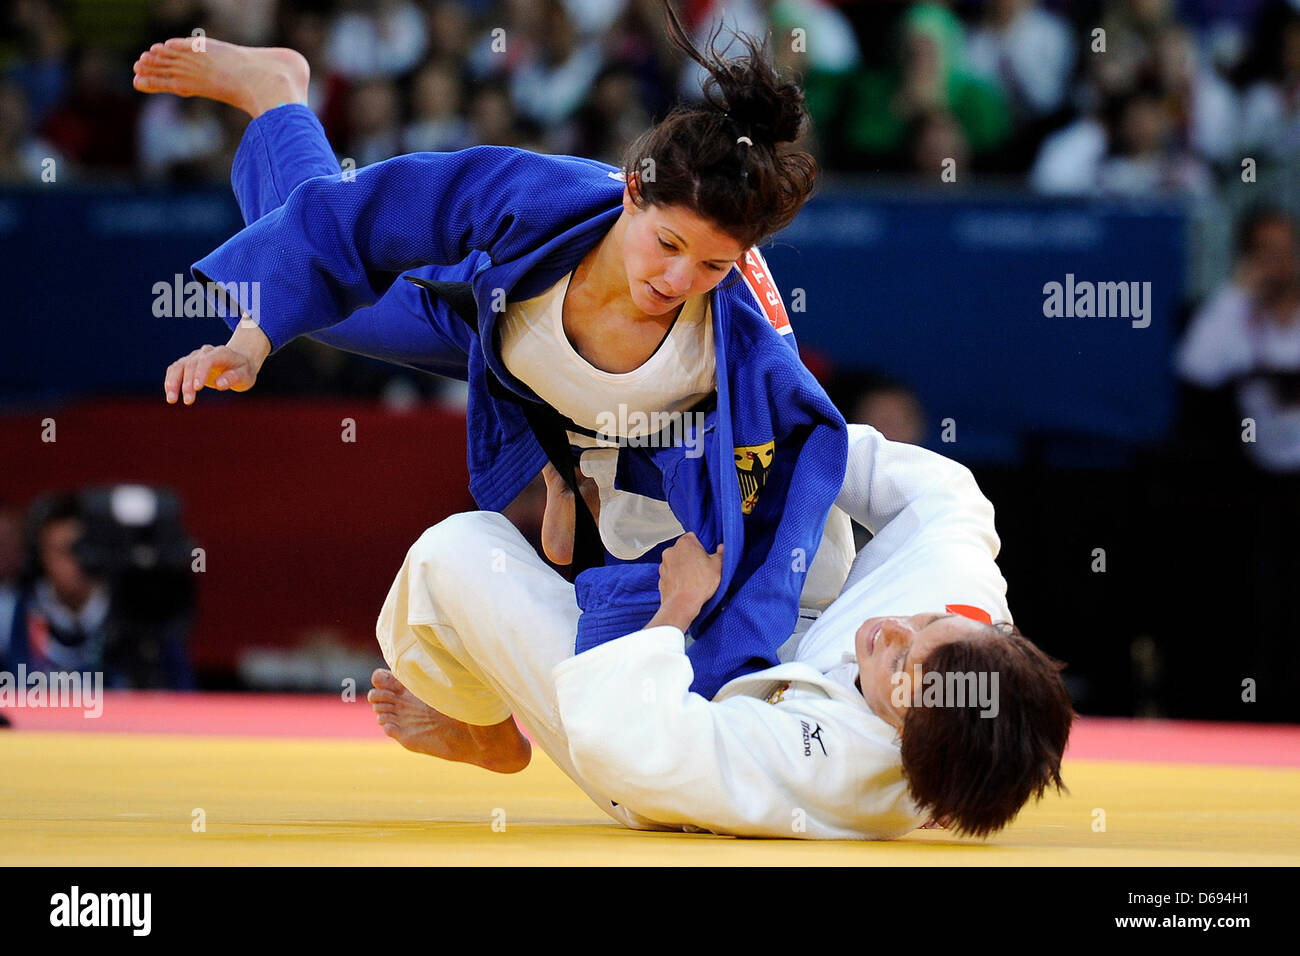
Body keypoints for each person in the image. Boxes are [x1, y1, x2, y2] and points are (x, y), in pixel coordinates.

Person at [133, 4, 845, 700]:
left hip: (636, 436)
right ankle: (277, 93)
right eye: (667, 245)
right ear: (633, 194)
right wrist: (252, 342)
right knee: (323, 286)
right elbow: (354, 217)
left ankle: (512, 659)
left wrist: (729, 675)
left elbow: (788, 484)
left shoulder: (744, 347)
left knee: (658, 619)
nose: (676, 281)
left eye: (712, 267)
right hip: (488, 316)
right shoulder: (539, 197)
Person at [367, 423, 1073, 839]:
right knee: (797, 468)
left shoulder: (838, 769)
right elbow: (941, 491)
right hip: (788, 625)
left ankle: (483, 724)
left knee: (454, 551)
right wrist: (781, 425)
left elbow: (643, 746)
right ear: (990, 629)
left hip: (649, 731)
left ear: (900, 739)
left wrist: (676, 611)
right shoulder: (963, 587)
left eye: (895, 668)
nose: (888, 628)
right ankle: (605, 480)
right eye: (922, 626)